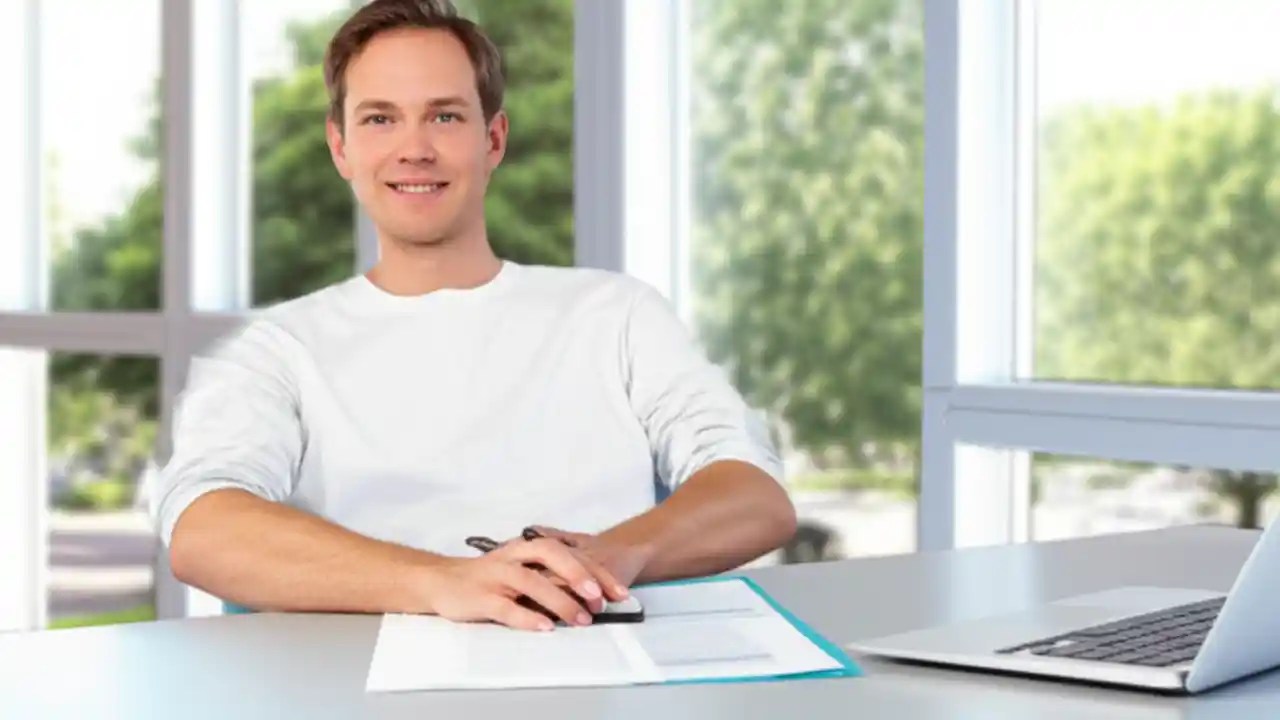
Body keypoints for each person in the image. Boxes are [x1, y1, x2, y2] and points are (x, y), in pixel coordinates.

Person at [151, 0, 796, 632]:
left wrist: (607, 557)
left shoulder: (617, 314)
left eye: (445, 116)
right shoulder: (278, 349)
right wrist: (447, 583)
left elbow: (753, 494)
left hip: (605, 667)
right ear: (340, 147)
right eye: (380, 119)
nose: (414, 148)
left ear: (493, 140)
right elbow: (202, 528)